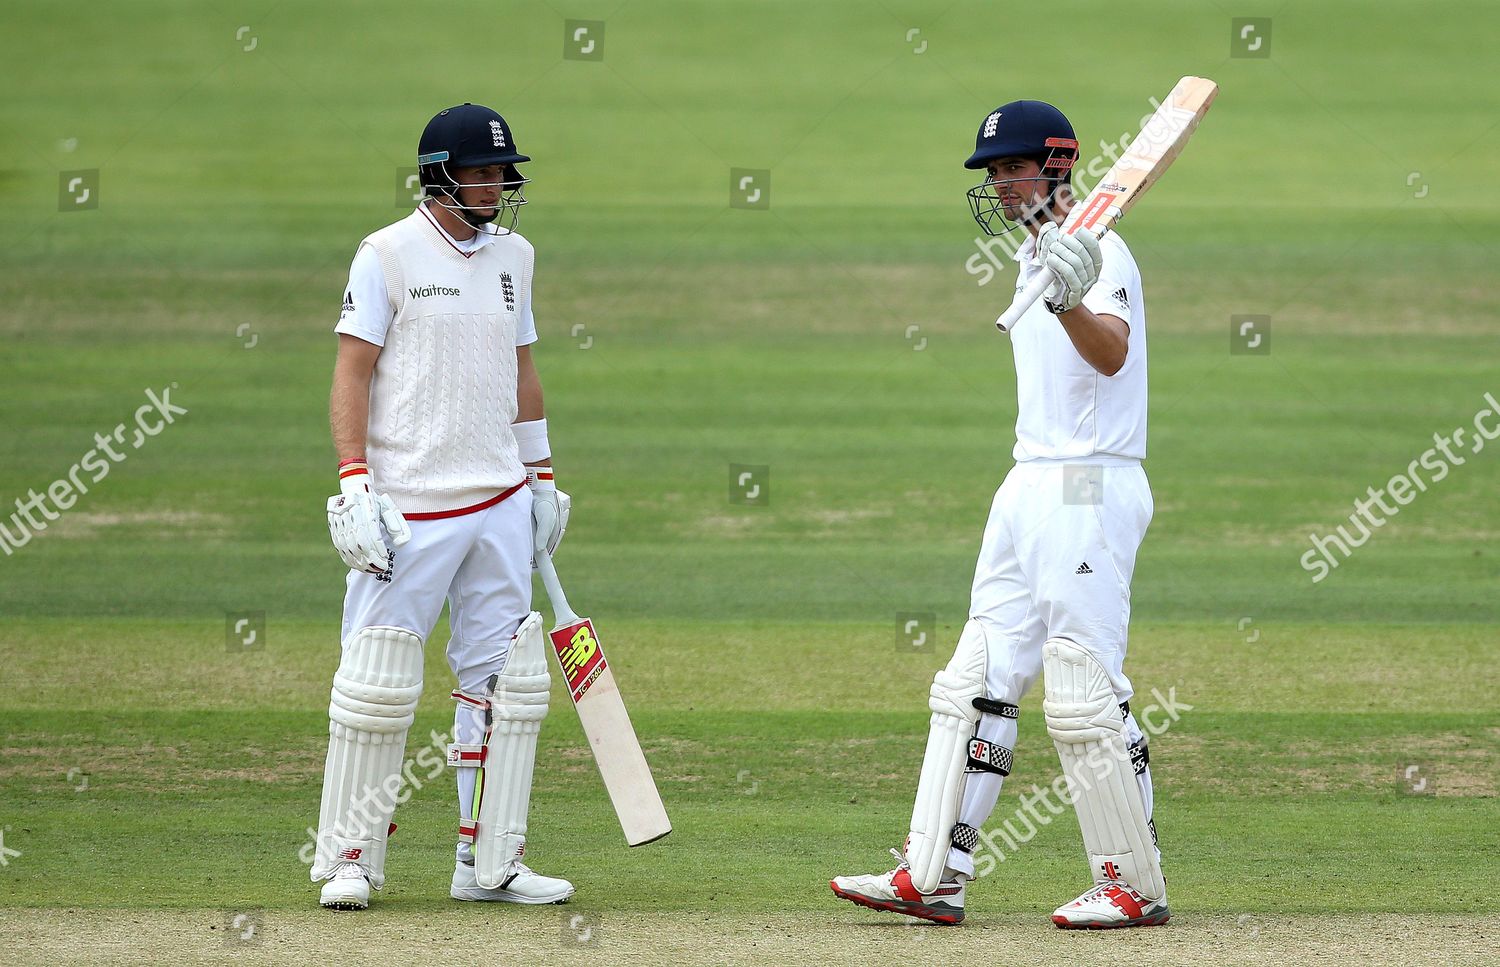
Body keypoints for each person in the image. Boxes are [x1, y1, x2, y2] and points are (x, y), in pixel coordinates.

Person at [831, 99, 1167, 929]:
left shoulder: (1100, 247)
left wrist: (1069, 299)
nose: (1001, 184)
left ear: (1056, 165)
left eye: (1013, 168)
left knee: (1083, 686)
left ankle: (1133, 883)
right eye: (994, 172)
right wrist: (1054, 284)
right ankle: (932, 872)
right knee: (975, 682)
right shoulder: (1036, 252)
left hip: (1089, 483)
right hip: (1028, 482)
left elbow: (1112, 352)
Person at [311, 102, 573, 911]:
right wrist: (355, 480)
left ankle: (488, 861)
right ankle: (351, 857)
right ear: (440, 175)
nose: (496, 185)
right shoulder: (386, 254)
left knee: (501, 685)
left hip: (499, 498)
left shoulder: (516, 256)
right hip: (410, 507)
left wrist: (540, 477)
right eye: (481, 172)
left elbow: (522, 371)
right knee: (378, 680)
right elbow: (352, 371)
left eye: (502, 172)